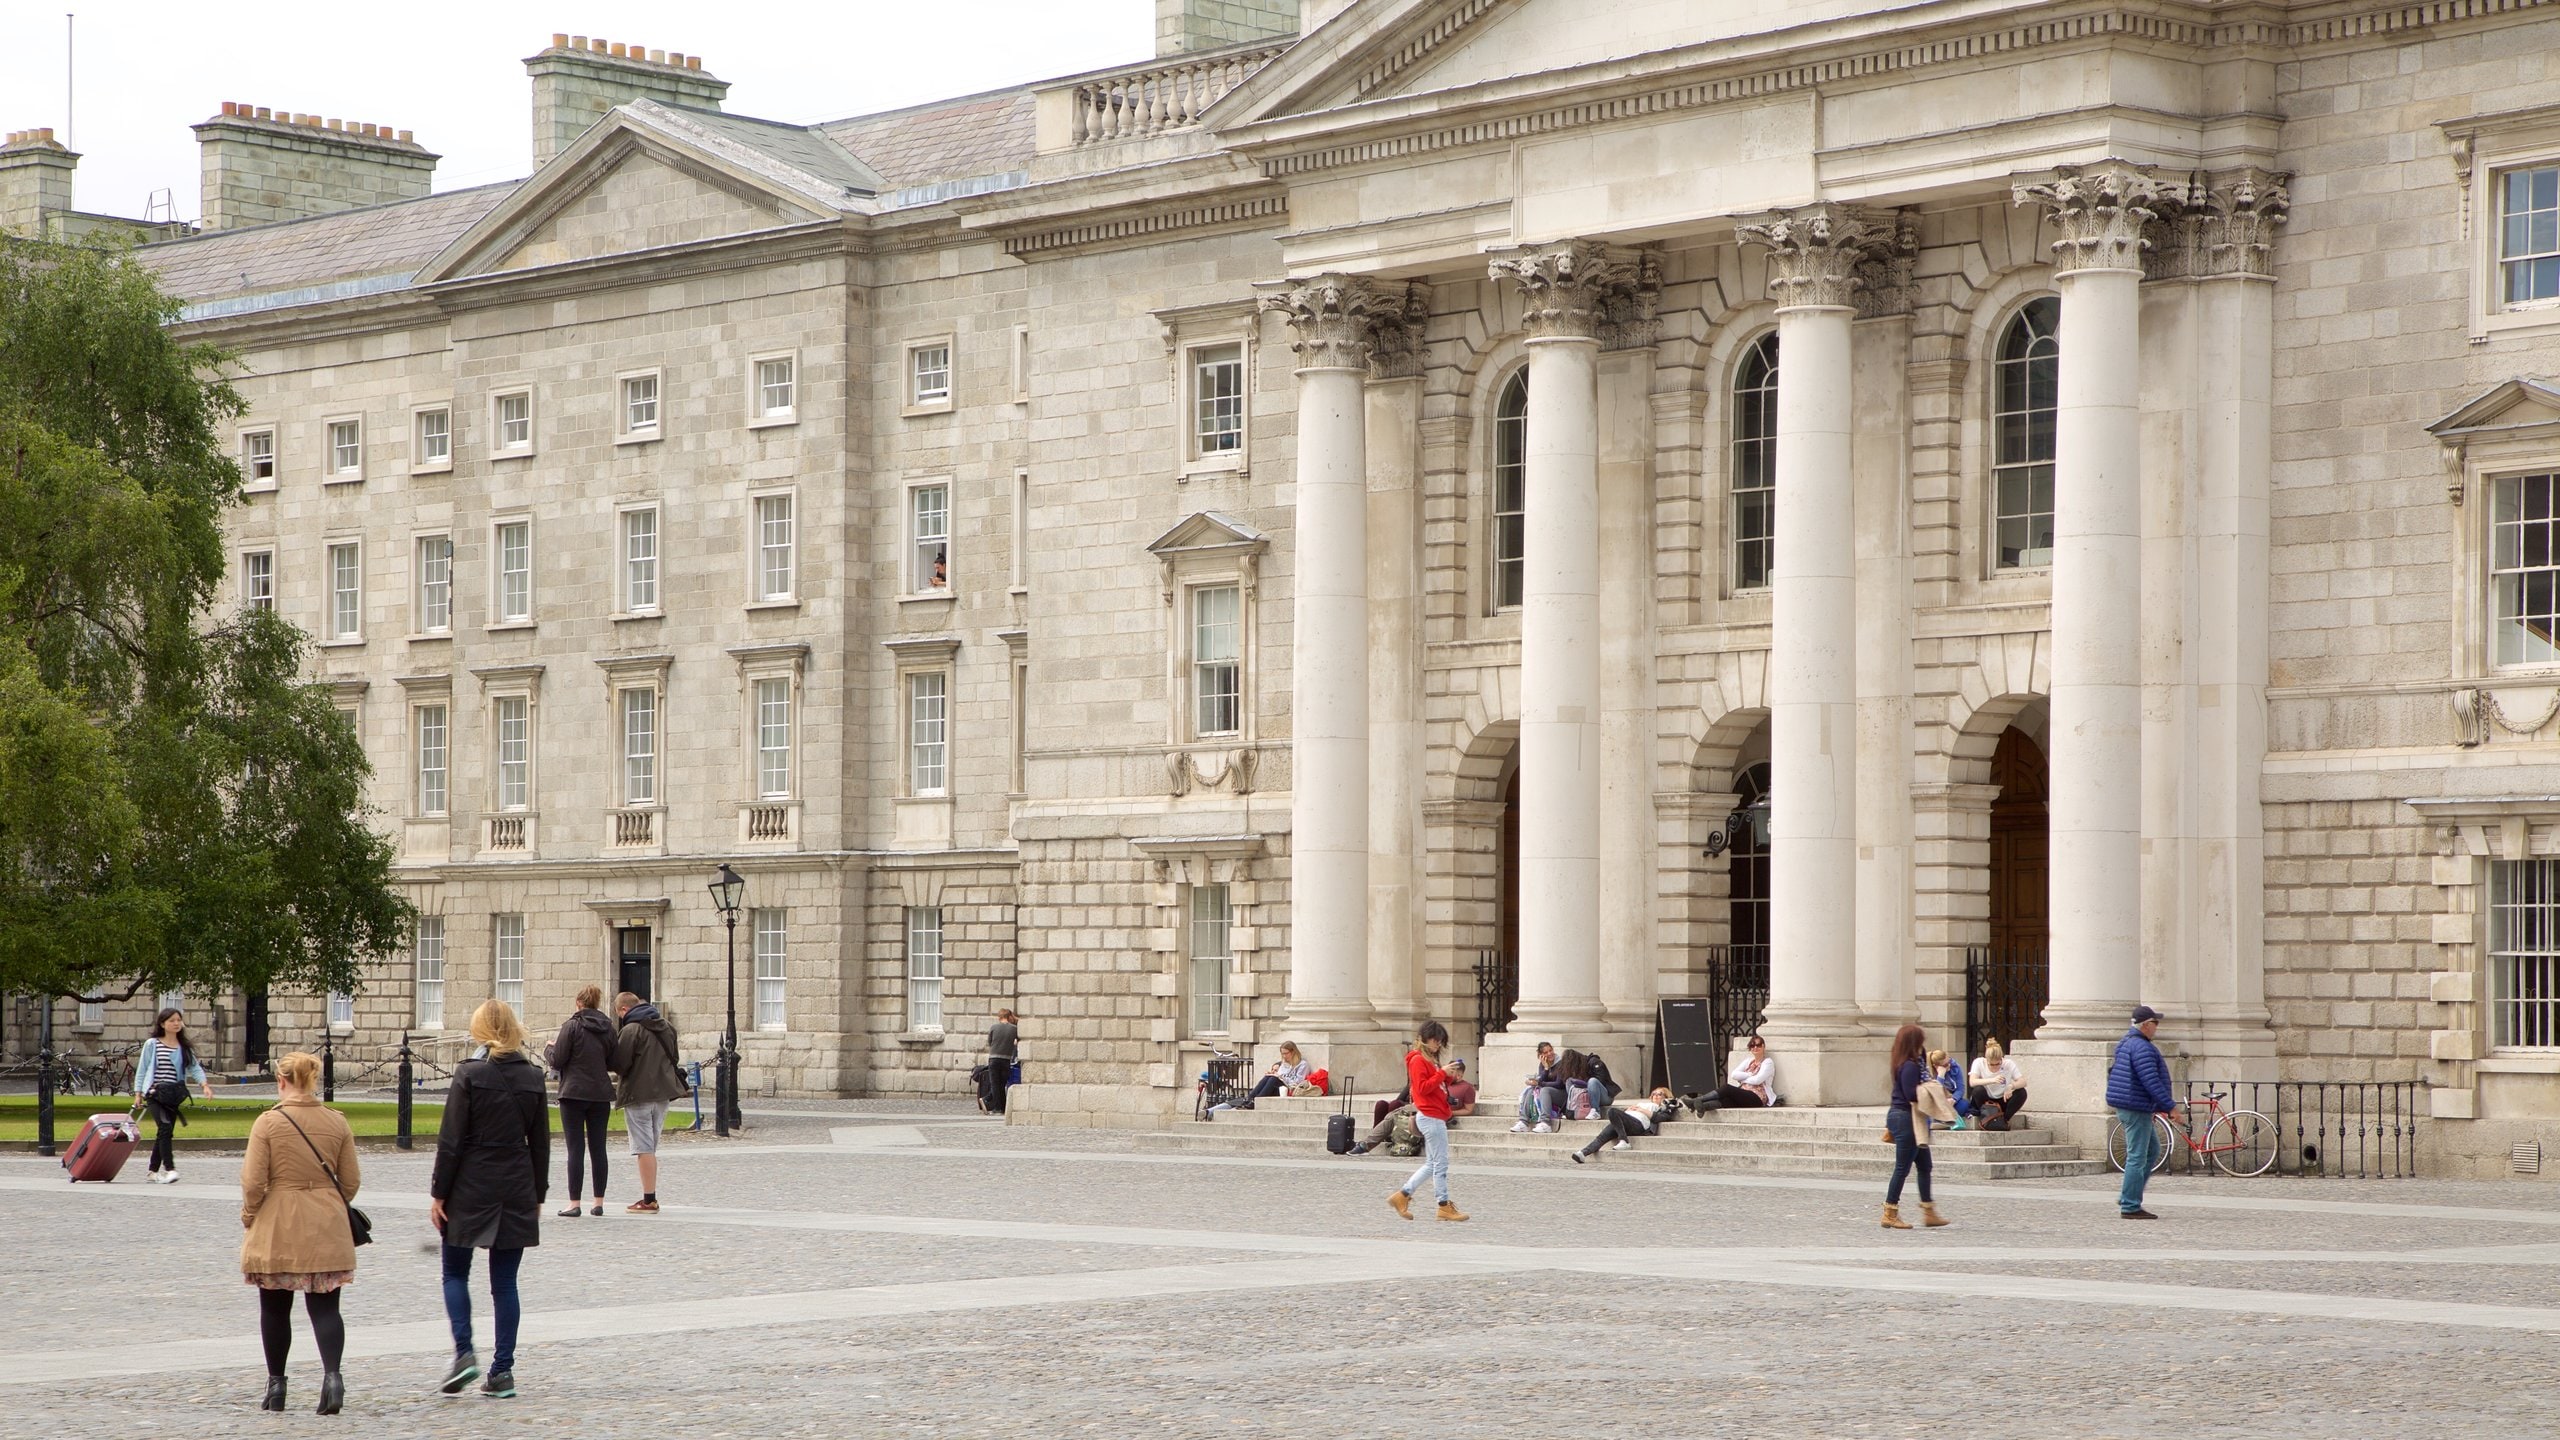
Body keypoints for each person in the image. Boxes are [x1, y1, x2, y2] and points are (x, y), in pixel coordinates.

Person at [431, 999, 549, 1400]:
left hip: (471, 1182)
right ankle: (503, 1371)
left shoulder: (469, 1073)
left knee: (454, 1272)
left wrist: (439, 1192)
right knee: (505, 1283)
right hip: (516, 1181)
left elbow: (451, 1141)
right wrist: (538, 1194)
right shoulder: (533, 1076)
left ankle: (464, 1351)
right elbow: (541, 1145)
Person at [239, 1050, 359, 1415]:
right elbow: (350, 1181)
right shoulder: (336, 1121)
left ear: (281, 1080)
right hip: (326, 1222)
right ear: (313, 1080)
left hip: (279, 1220)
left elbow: (253, 1182)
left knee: (275, 1307)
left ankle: (277, 1385)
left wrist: (249, 1215)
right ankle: (333, 1377)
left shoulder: (268, 1123)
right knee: (326, 1308)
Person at [608, 990, 687, 1214]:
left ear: (624, 1009)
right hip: (663, 1093)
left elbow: (621, 1064)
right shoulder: (667, 1027)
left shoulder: (631, 1030)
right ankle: (649, 1196)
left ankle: (649, 1199)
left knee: (644, 1148)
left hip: (639, 1094)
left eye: (619, 1014)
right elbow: (674, 1057)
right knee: (650, 1146)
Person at [543, 986, 615, 1218]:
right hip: (600, 1093)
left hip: (573, 1092)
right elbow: (613, 1060)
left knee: (575, 1149)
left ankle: (574, 1203)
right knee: (598, 1148)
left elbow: (558, 1060)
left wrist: (549, 1049)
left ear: (578, 1003)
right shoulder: (608, 1028)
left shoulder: (572, 1026)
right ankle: (598, 1202)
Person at [2107, 1005, 2180, 1221]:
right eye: (2155, 1023)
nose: (2157, 1027)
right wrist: (2169, 1106)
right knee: (2137, 1156)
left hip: (2130, 1104)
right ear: (2146, 1025)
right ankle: (2130, 1205)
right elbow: (2151, 1081)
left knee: (2151, 1151)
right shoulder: (2142, 1048)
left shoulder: (2127, 1042)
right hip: (2135, 1106)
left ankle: (2128, 1194)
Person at [1388, 1021, 1466, 1222]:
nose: (1438, 1045)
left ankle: (1402, 1195)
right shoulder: (1418, 1060)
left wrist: (1447, 1076)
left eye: (1440, 1042)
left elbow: (1435, 1086)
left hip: (1434, 1114)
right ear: (1425, 1038)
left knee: (1432, 1164)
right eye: (1435, 1040)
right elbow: (1422, 1088)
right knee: (1440, 1163)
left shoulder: (1430, 1060)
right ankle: (1443, 1205)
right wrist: (1442, 1073)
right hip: (1430, 1115)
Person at [133, 1006, 214, 1184]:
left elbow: (194, 1067)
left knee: (165, 1131)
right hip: (154, 1094)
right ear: (163, 1024)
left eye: (179, 1020)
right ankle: (170, 1169)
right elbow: (142, 1069)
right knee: (164, 1127)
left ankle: (152, 1171)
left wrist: (204, 1085)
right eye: (172, 1020)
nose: (176, 1023)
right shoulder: (152, 1044)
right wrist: (138, 1094)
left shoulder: (183, 1047)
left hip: (173, 1095)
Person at [1882, 1023, 1949, 1230]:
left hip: (1908, 1118)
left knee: (1925, 1165)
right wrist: (1931, 1089)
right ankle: (1890, 1212)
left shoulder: (1908, 1062)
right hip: (1906, 1118)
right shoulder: (1910, 1066)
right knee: (1902, 1168)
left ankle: (1929, 1212)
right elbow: (1911, 1094)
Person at [1569, 1086, 1681, 1162]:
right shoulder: (1642, 1103)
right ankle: (1583, 1153)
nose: (1655, 1096)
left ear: (1666, 1097)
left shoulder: (1661, 1107)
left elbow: (1660, 1118)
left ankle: (1624, 1141)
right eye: (1654, 1094)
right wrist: (1628, 1110)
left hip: (1638, 1124)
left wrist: (1641, 1110)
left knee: (1612, 1111)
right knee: (1602, 1136)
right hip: (1626, 1121)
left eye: (1660, 1094)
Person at [1696, 1035, 1777, 1110]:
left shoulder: (1768, 1062)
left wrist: (1742, 1080)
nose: (1755, 1047)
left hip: (1757, 1097)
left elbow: (1757, 1080)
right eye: (1752, 1046)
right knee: (1726, 1100)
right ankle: (1702, 1106)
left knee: (1727, 1088)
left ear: (1763, 1046)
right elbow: (1734, 1074)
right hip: (1744, 1093)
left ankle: (1698, 1100)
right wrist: (1749, 1075)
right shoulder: (1748, 1061)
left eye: (1758, 1045)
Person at [1967, 1041, 2027, 1129]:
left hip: (2003, 1098)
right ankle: (1988, 1117)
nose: (1995, 1067)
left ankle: (2004, 1119)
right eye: (1991, 1064)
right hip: (1987, 1100)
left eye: (1998, 1064)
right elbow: (1972, 1082)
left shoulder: (2008, 1064)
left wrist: (2011, 1086)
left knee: (2022, 1092)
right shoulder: (1979, 1062)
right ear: (1986, 1060)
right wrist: (1992, 1080)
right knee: (1978, 1090)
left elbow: (2023, 1081)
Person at [1511, 1041, 1565, 1133]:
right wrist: (1546, 1068)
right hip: (1547, 1094)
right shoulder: (1543, 1064)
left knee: (1544, 1090)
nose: (1549, 1053)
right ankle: (1523, 1122)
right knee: (1530, 1090)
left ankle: (1546, 1123)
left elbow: (1559, 1084)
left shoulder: (1561, 1063)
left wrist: (1539, 1083)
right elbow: (1541, 1080)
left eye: (1550, 1050)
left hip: (1561, 1095)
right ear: (1541, 1055)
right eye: (1546, 1052)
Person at [982, 1007, 1020, 1114]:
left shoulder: (994, 1027)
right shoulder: (1014, 1029)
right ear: (1009, 1016)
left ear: (1000, 1017)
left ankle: (997, 1107)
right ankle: (1002, 1107)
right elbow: (1018, 1040)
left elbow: (990, 1042)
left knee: (995, 1083)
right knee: (1002, 1084)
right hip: (1006, 1059)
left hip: (994, 1058)